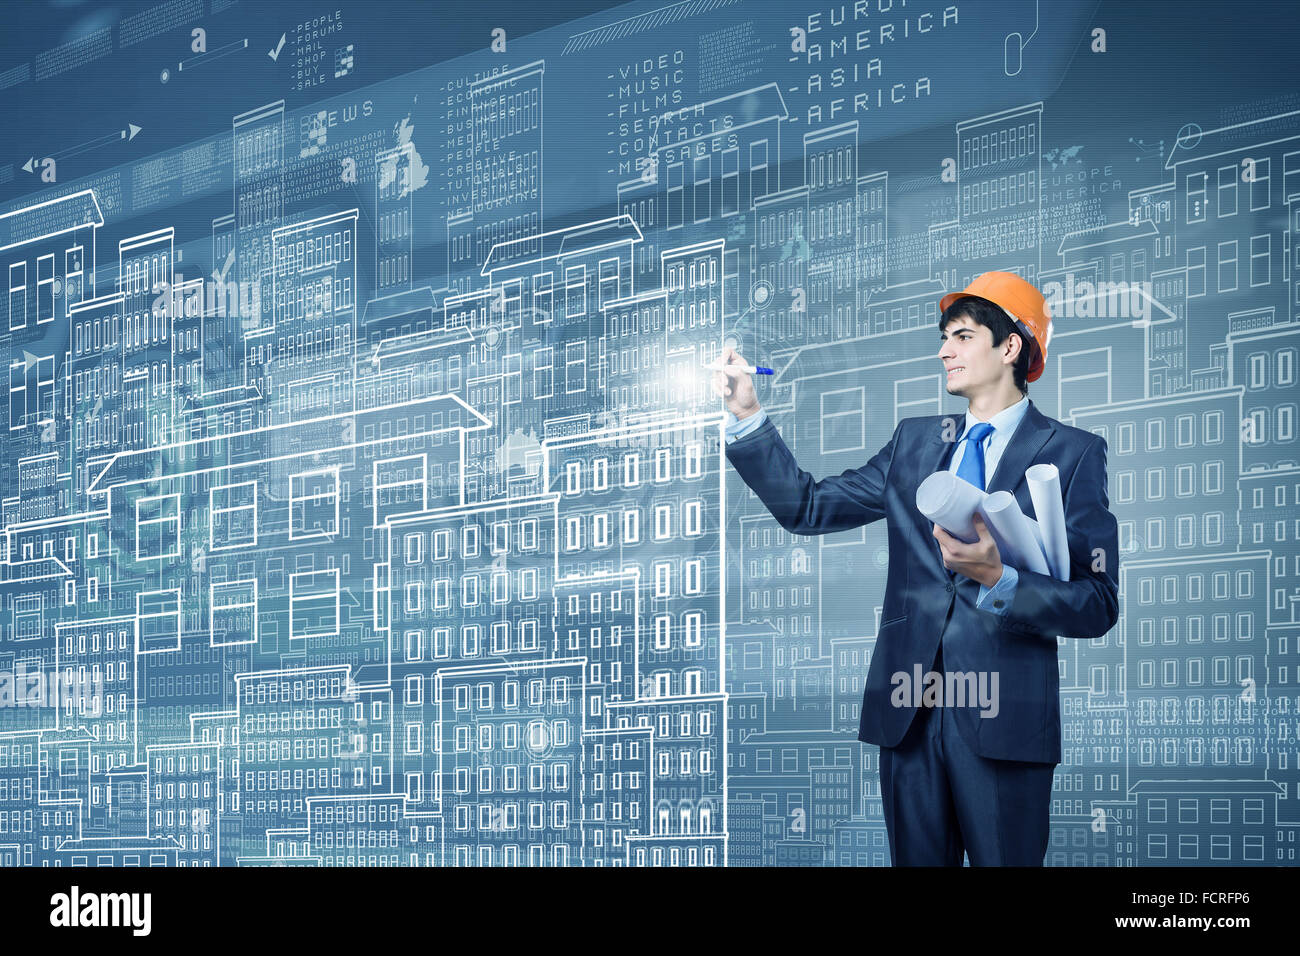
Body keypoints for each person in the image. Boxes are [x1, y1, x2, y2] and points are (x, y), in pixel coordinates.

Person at [715, 272, 1119, 866]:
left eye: (961, 336)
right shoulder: (915, 444)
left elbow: (1098, 602)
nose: (943, 351)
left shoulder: (1072, 452)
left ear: (1010, 348)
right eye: (944, 337)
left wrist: (999, 580)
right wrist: (748, 414)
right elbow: (807, 507)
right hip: (908, 715)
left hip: (1005, 720)